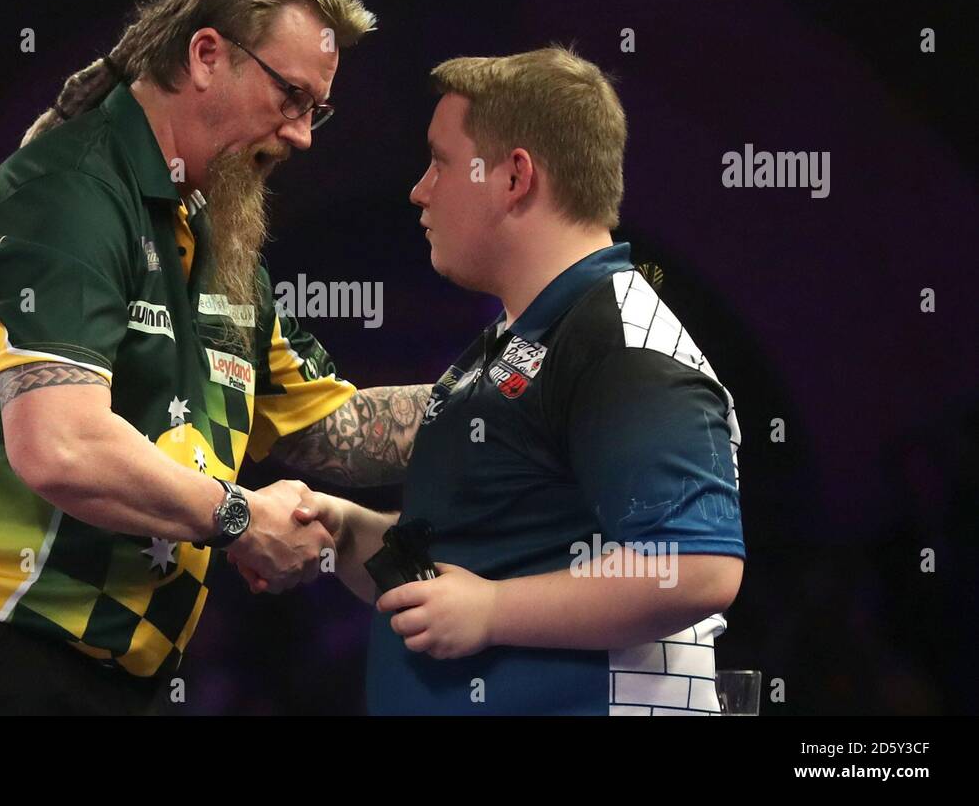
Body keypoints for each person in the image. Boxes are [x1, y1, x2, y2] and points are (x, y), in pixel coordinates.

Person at [0, 0, 430, 716]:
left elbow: (327, 427)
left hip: (93, 677)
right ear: (208, 55)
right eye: (290, 98)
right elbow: (60, 444)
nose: (303, 135)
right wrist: (239, 518)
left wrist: (516, 392)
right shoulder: (71, 191)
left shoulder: (218, 236)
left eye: (319, 109)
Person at [296, 46, 746, 715]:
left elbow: (697, 569)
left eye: (441, 162)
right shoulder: (520, 340)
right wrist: (341, 531)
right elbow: (467, 560)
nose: (420, 189)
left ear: (514, 177)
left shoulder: (618, 342)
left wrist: (494, 609)